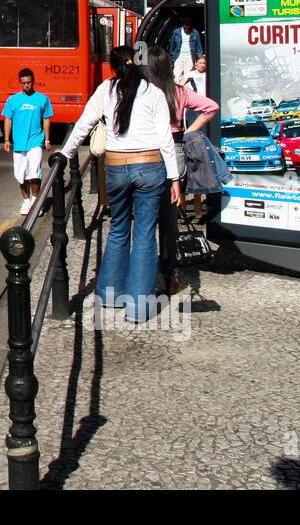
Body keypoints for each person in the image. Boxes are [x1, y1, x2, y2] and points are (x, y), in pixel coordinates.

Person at [62, 45, 181, 323]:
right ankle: (138, 309)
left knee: (117, 227)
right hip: (150, 166)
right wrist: (174, 177)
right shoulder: (154, 92)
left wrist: (65, 153)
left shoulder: (106, 89)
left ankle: (111, 295)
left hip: (116, 166)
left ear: (113, 69)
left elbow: (84, 124)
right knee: (144, 234)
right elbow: (166, 138)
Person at [142, 46, 219, 293]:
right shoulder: (178, 92)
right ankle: (170, 275)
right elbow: (211, 107)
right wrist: (191, 130)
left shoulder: (143, 93)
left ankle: (143, 274)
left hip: (148, 152)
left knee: (145, 217)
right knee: (169, 218)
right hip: (175, 152)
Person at [2, 67, 53, 215]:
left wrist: (47, 139)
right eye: (24, 83)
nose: (27, 86)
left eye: (29, 82)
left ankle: (36, 202)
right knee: (21, 174)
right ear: (20, 83)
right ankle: (26, 202)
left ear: (33, 81)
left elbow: (46, 119)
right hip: (19, 143)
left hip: (36, 141)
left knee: (35, 172)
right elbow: (8, 120)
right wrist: (6, 139)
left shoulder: (42, 99)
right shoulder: (13, 100)